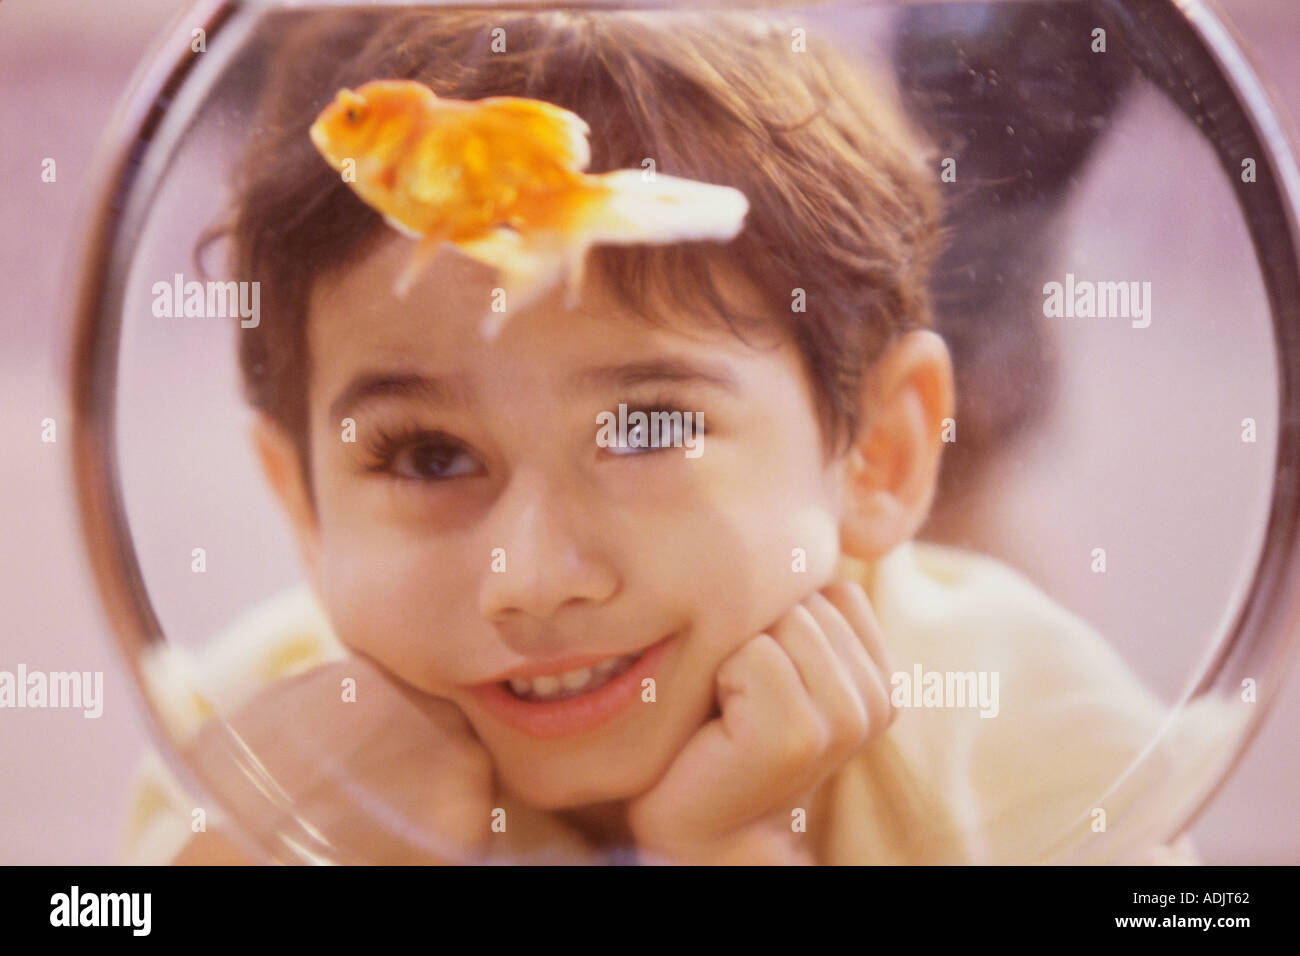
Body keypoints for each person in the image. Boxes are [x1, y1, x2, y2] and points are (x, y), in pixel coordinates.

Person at [119, 8, 1242, 865]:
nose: (534, 579)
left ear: (881, 454)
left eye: (648, 425)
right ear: (302, 506)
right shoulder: (254, 765)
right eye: (428, 456)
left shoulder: (1038, 748)